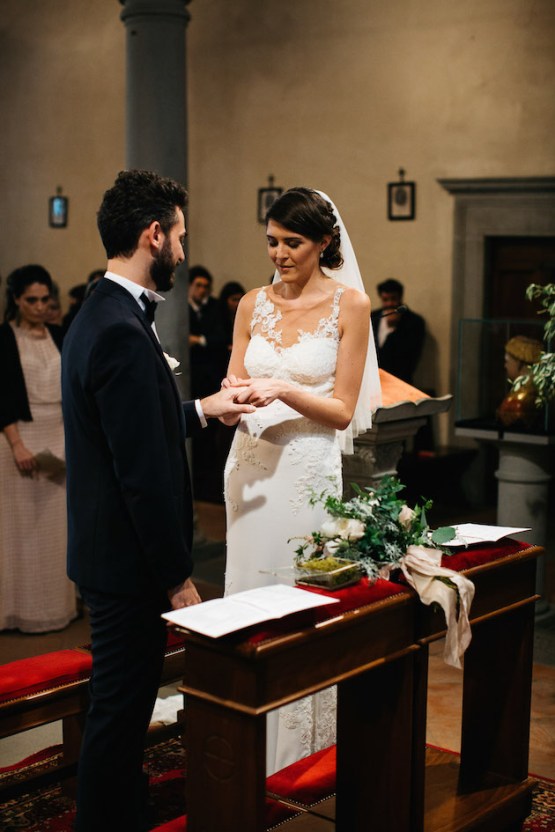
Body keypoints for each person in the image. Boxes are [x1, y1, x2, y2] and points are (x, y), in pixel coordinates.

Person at [61, 169, 255, 832]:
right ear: (153, 234)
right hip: (126, 562)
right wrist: (177, 580)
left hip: (108, 554)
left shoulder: (101, 309)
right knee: (118, 710)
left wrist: (203, 409)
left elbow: (136, 424)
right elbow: (140, 472)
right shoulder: (118, 327)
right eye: (178, 234)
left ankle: (125, 809)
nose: (181, 247)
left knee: (124, 701)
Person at [223, 187, 381, 775]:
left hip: (308, 471)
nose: (280, 254)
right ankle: (245, 729)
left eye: (293, 243)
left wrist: (286, 390)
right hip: (251, 464)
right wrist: (234, 397)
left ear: (324, 243)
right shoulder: (250, 303)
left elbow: (343, 409)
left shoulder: (352, 305)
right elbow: (237, 379)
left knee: (297, 598)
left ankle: (300, 748)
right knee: (247, 591)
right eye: (272, 241)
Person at [0, 265, 76, 632]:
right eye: (31, 300)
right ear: (16, 300)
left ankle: (53, 608)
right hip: (17, 437)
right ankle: (16, 610)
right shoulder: (4, 337)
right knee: (17, 529)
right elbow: (1, 396)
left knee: (55, 528)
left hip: (59, 435)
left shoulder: (59, 334)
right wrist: (16, 445)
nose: (40, 306)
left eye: (46, 299)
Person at [188, 265, 228, 501]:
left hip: (212, 379)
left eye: (205, 286)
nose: (202, 290)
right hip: (192, 380)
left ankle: (211, 490)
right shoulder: (180, 310)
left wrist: (200, 340)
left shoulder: (215, 308)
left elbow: (221, 339)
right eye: (198, 286)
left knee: (213, 440)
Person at [371, 277, 425, 384]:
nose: (390, 304)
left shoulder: (414, 322)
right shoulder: (373, 317)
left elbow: (409, 359)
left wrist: (393, 329)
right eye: (386, 300)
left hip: (399, 381)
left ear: (400, 298)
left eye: (393, 299)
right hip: (374, 380)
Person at [496, 335, 543, 429]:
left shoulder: (518, 401)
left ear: (519, 363)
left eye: (507, 361)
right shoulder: (538, 391)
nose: (505, 366)